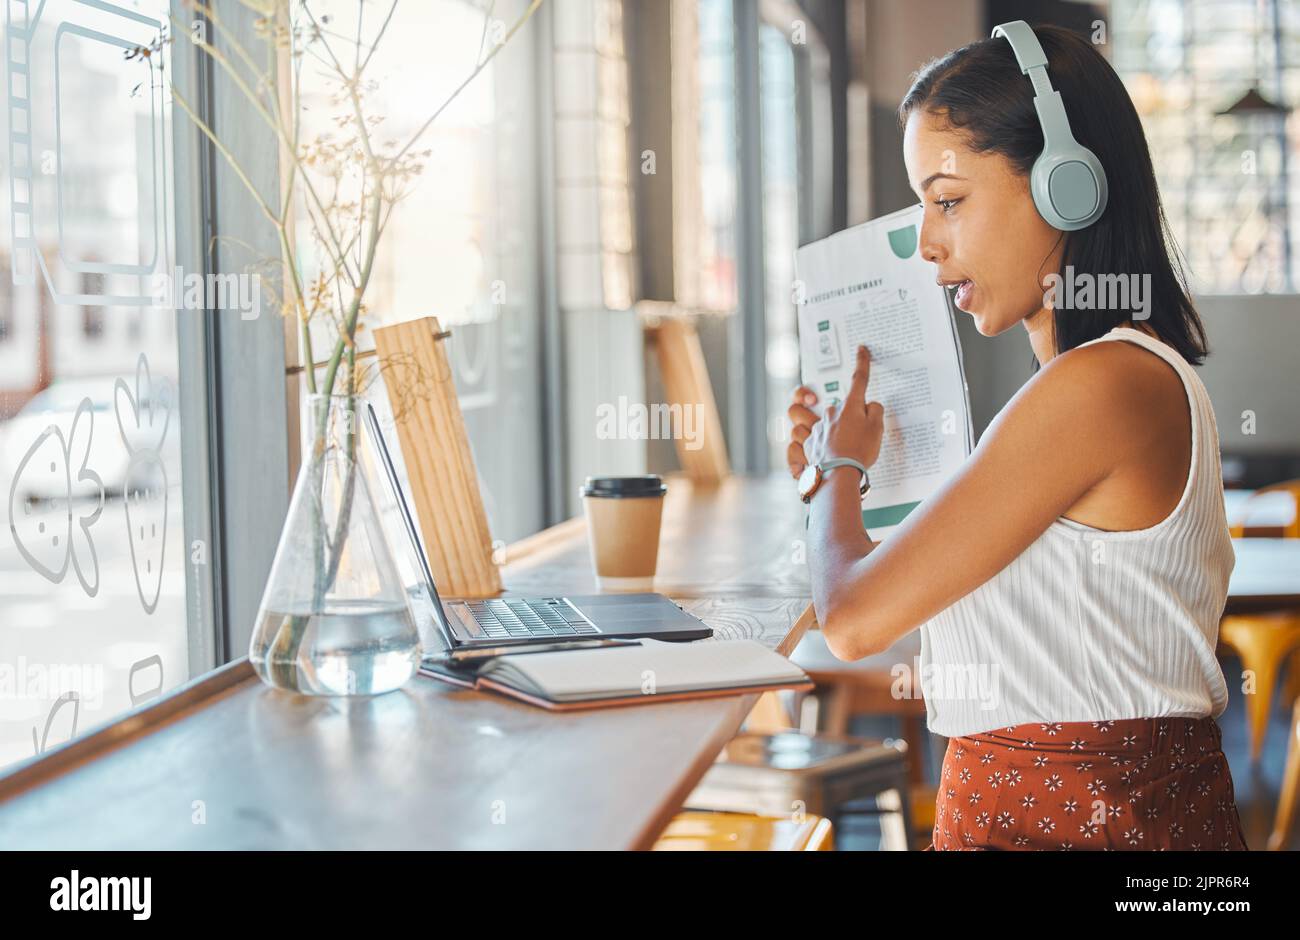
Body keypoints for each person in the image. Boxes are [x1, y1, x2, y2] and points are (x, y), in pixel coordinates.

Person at [787, 23, 1247, 850]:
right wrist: (840, 479)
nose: (927, 246)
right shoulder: (1098, 385)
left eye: (949, 200)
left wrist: (838, 470)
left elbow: (852, 621)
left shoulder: (1101, 386)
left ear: (1066, 185)